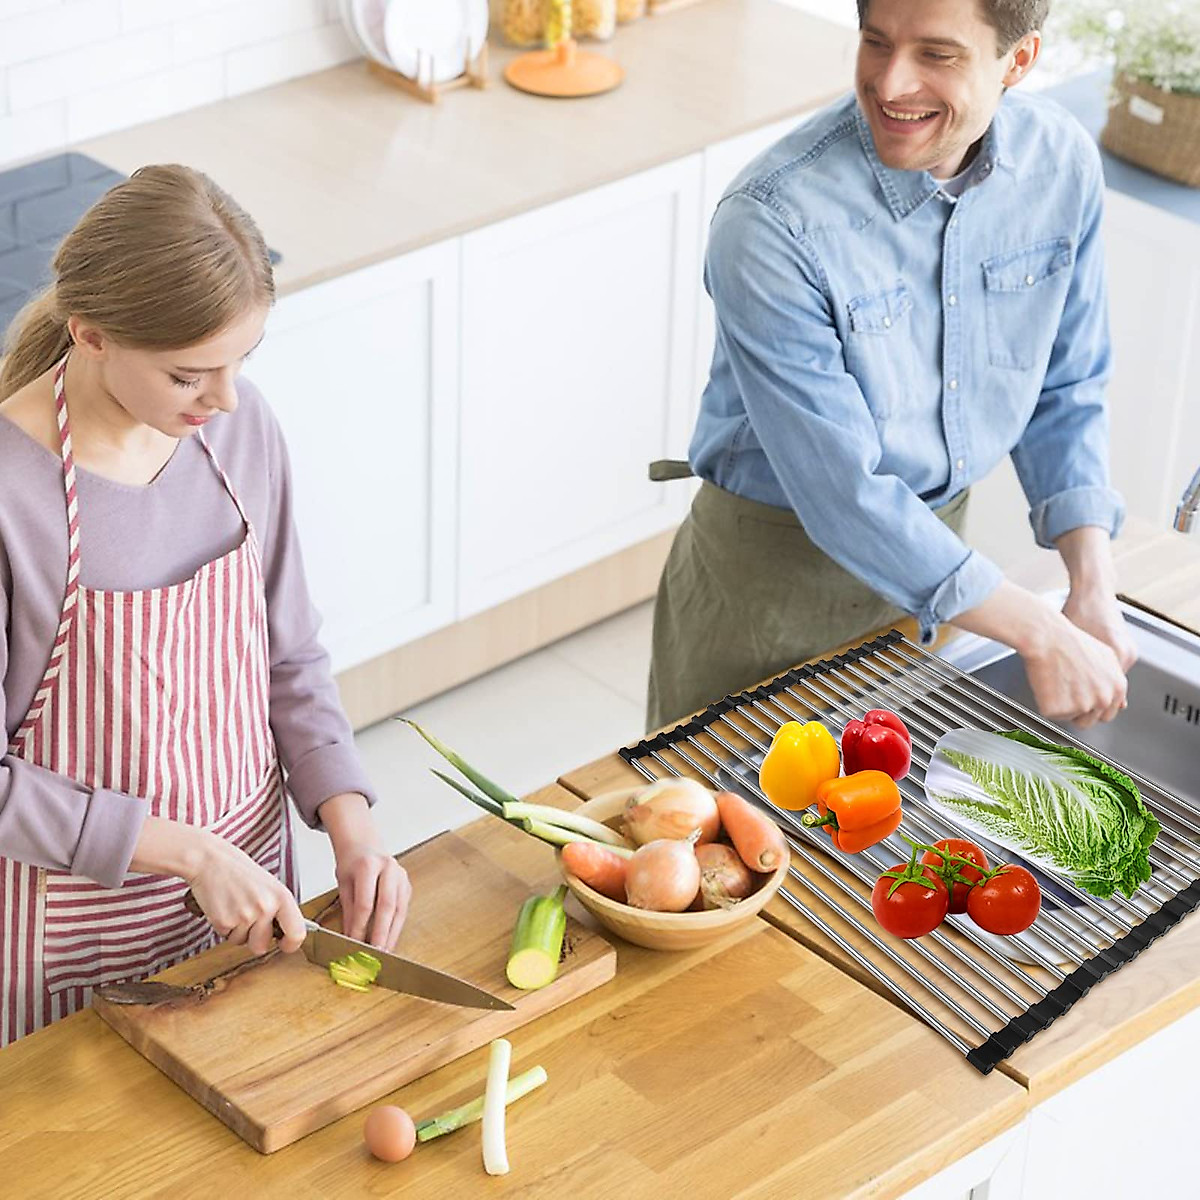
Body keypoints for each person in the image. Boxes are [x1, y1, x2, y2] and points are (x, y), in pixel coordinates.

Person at [0, 164, 411, 1046]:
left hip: (245, 889)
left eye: (240, 363)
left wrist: (351, 819)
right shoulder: (9, 492)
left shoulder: (239, 429)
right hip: (68, 930)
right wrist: (187, 851)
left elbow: (289, 653)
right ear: (91, 334)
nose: (225, 399)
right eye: (192, 375)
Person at [648, 0, 1137, 733]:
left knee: (884, 831)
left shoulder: (1060, 166)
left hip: (943, 580)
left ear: (1019, 61)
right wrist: (1038, 629)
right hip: (768, 591)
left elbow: (1064, 388)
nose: (890, 82)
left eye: (937, 55)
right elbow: (842, 491)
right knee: (738, 832)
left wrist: (1090, 582)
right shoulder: (769, 222)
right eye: (876, 43)